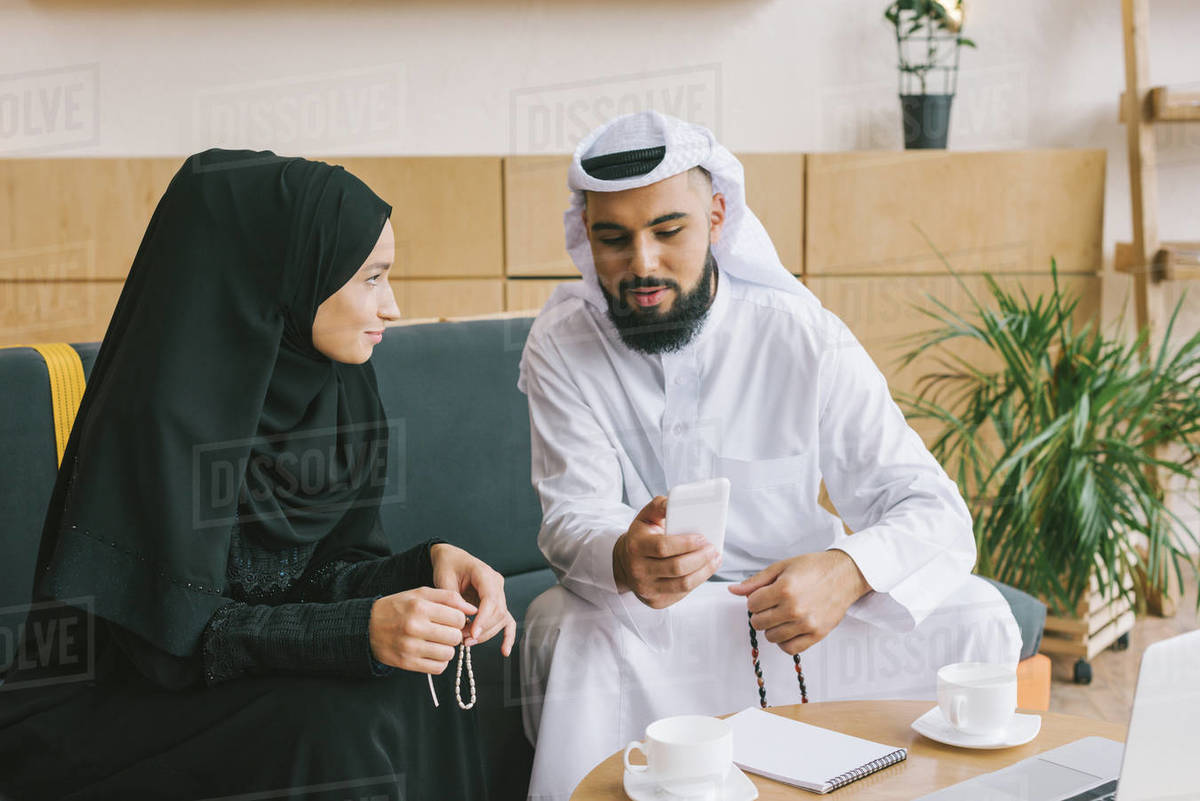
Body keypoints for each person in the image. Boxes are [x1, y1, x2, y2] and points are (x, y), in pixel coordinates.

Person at [517, 111, 1022, 799]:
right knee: (566, 627)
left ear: (717, 215)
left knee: (977, 611)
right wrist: (622, 555)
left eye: (669, 231)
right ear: (587, 238)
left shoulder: (802, 333)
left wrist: (847, 571)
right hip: (655, 620)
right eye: (614, 238)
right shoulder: (561, 342)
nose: (642, 263)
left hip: (806, 610)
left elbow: (934, 510)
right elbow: (572, 513)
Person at [0, 149, 515, 801]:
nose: (392, 306)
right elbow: (170, 645)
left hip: (259, 676)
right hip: (127, 705)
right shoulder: (161, 413)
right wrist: (355, 633)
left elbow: (323, 575)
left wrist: (426, 567)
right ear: (288, 273)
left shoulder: (343, 392)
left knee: (422, 678)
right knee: (337, 730)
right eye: (370, 278)